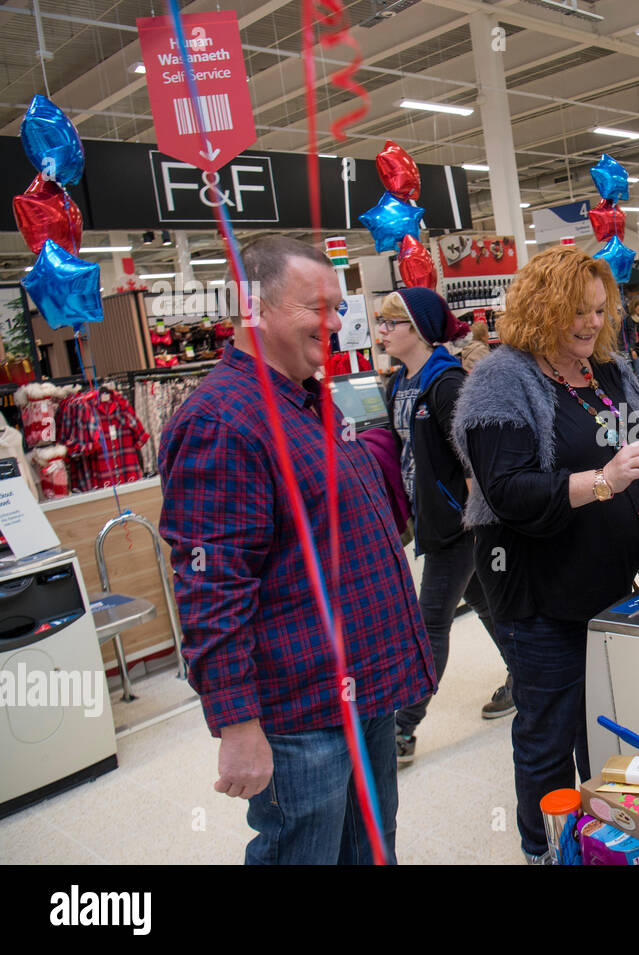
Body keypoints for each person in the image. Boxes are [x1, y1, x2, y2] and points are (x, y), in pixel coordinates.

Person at [157, 236, 437, 865]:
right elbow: (211, 585)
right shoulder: (222, 422)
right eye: (319, 307)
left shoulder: (309, 398)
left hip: (359, 693)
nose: (338, 323)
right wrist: (237, 725)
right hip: (299, 716)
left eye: (338, 307)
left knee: (368, 850)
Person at [452, 245, 639, 862]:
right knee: (548, 734)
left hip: (610, 583)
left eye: (599, 310)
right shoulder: (503, 380)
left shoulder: (609, 370)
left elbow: (634, 447)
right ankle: (544, 851)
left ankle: (599, 843)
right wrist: (604, 481)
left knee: (602, 728)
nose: (592, 324)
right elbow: (508, 490)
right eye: (577, 312)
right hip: (539, 592)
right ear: (541, 309)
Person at [376, 288, 513, 767]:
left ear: (416, 328)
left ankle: (401, 728)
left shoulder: (446, 382)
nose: (381, 331)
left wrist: (476, 515)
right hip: (432, 517)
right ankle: (527, 677)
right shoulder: (400, 382)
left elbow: (476, 453)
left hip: (458, 522)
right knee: (482, 600)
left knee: (429, 619)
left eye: (390, 323)